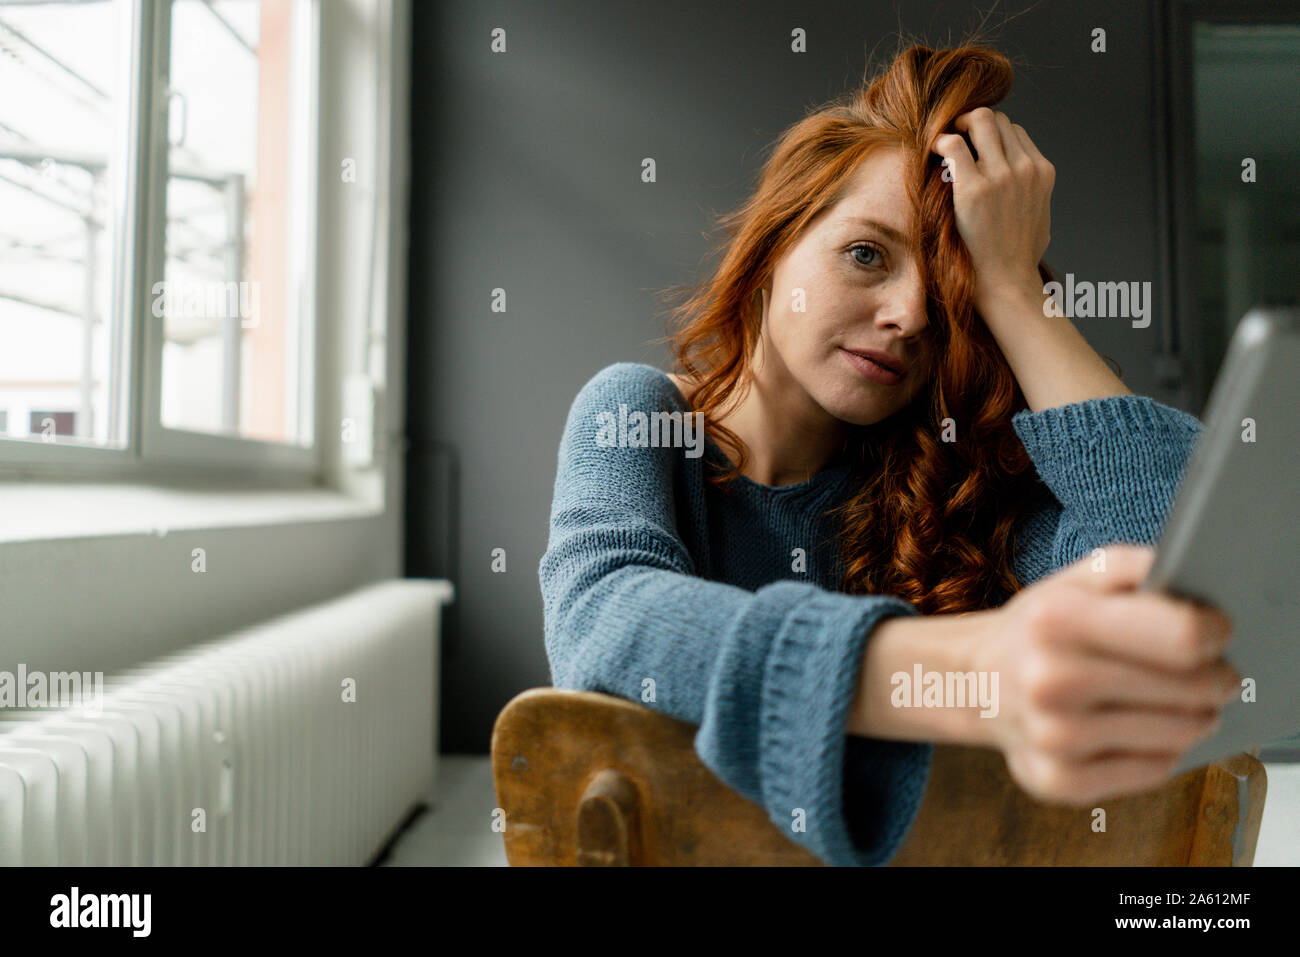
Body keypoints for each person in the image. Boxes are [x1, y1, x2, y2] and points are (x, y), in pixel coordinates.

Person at [537, 43, 1237, 866]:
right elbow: (604, 619)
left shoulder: (951, 497)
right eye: (866, 254)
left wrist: (1014, 291)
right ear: (771, 253)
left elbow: (1198, 574)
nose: (909, 313)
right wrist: (960, 672)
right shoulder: (641, 416)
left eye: (947, 294)